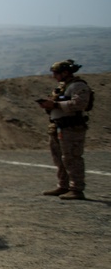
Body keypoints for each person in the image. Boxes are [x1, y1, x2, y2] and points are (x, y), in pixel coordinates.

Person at [38, 59, 92, 200]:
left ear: (65, 73)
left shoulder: (78, 86)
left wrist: (55, 104)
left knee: (72, 158)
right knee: (59, 158)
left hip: (72, 127)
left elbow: (79, 104)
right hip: (58, 126)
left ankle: (77, 189)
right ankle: (64, 185)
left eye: (56, 73)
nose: (54, 76)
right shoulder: (63, 87)